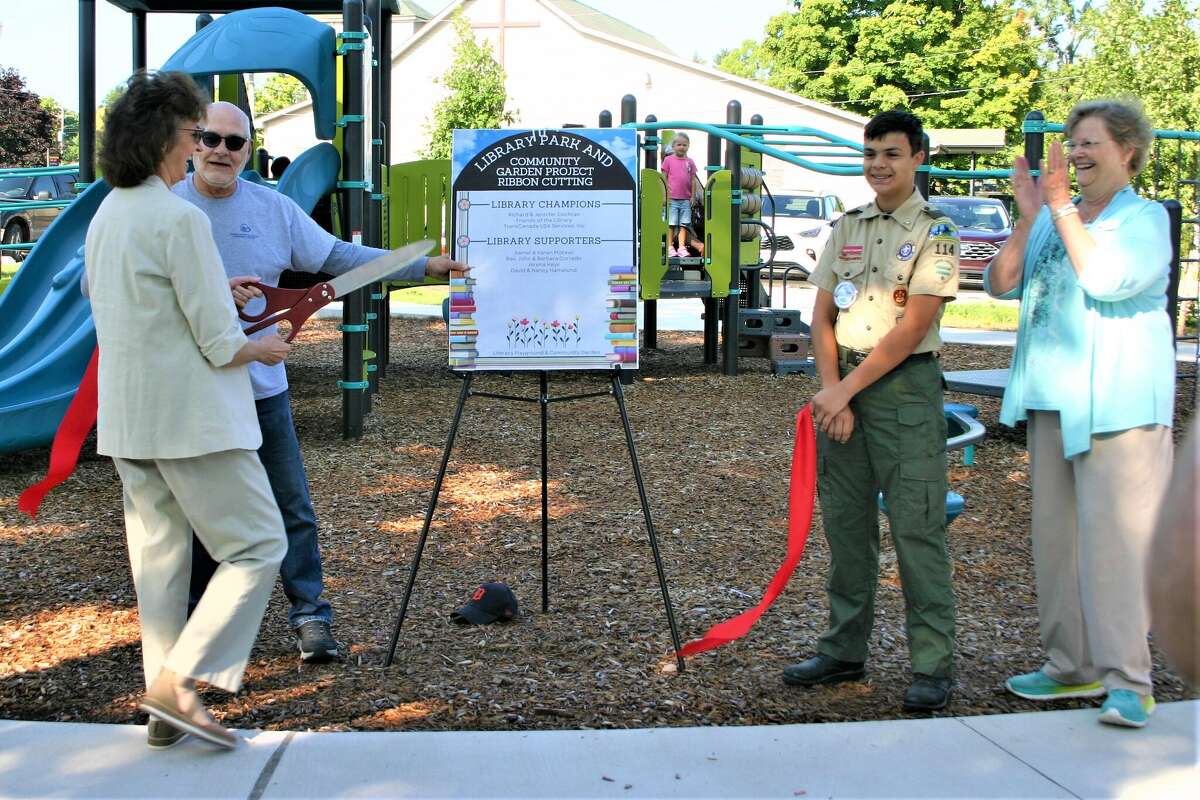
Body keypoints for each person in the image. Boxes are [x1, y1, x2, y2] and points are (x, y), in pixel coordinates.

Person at [178, 102, 464, 664]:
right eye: (210, 138)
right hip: (194, 392)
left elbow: (337, 256)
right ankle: (195, 630)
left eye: (235, 143)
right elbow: (117, 288)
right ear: (191, 142)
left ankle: (310, 616)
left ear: (248, 151)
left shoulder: (273, 210)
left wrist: (420, 264)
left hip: (261, 387)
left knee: (292, 507)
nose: (221, 151)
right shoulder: (164, 209)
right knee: (195, 515)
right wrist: (212, 292)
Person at [85, 72, 290, 750]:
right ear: (163, 139)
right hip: (195, 422)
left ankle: (163, 721)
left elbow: (141, 305)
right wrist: (265, 346)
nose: (198, 146)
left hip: (129, 422)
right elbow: (219, 343)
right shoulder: (180, 217)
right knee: (260, 545)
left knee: (162, 572)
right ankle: (176, 688)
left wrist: (218, 294)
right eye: (192, 134)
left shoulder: (109, 213)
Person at [986, 99, 1175, 728]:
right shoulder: (1051, 220)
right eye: (1074, 142)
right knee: (1056, 543)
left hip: (1118, 407)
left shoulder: (1143, 221)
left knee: (1116, 546)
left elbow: (1106, 280)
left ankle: (1129, 680)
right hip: (1050, 398)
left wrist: (1061, 208)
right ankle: (1071, 667)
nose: (1079, 153)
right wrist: (1026, 220)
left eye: (1091, 143)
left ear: (1127, 151)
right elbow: (999, 284)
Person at [782, 110, 959, 712]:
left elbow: (913, 328)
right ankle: (843, 650)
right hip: (844, 391)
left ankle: (932, 665)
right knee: (848, 532)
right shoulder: (847, 226)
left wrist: (842, 391)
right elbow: (822, 318)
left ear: (917, 159)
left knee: (917, 531)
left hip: (903, 393)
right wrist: (833, 391)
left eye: (892, 153)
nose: (879, 164)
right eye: (871, 153)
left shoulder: (936, 232)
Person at [661, 132, 701, 259]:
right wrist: (664, 195)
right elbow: (663, 179)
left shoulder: (689, 162)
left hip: (685, 198)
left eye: (684, 145)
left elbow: (693, 179)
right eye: (679, 145)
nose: (682, 147)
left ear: (688, 146)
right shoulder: (668, 161)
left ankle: (682, 247)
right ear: (673, 147)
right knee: (671, 224)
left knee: (684, 224)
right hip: (672, 198)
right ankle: (670, 246)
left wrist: (693, 196)